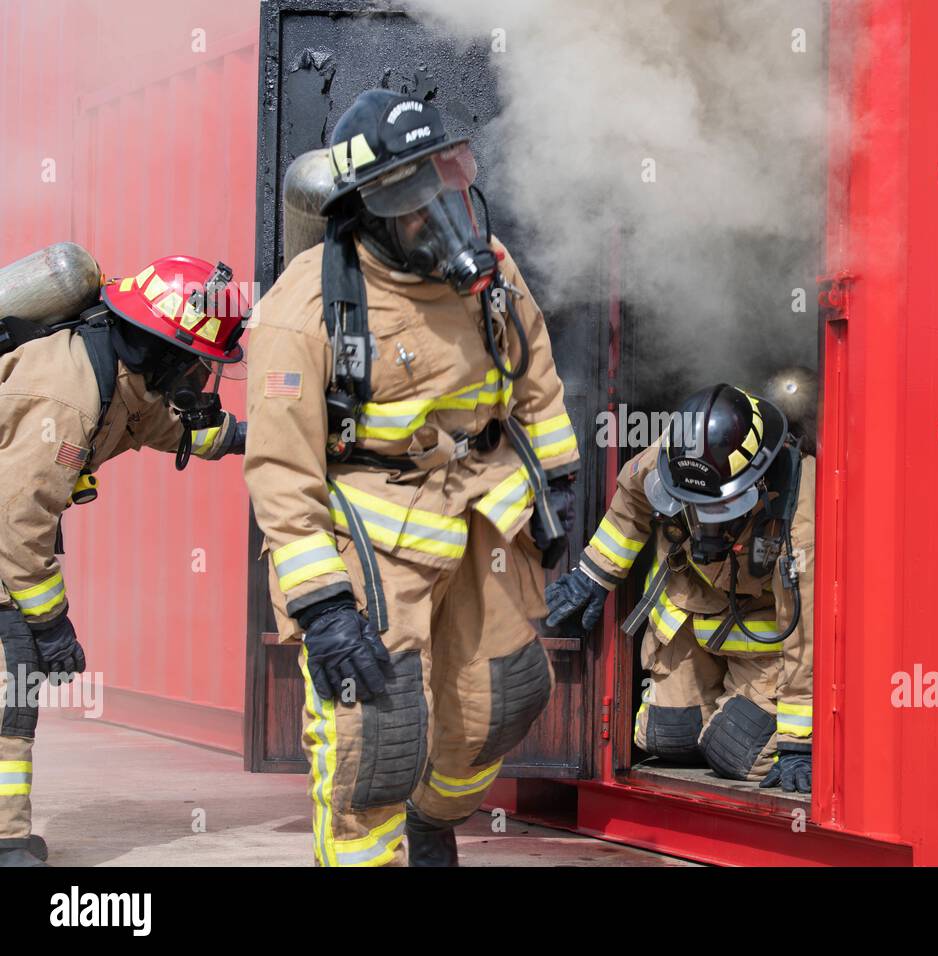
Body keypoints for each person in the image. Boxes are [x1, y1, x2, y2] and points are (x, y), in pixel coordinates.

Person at [243, 89, 579, 867]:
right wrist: (323, 608)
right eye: (418, 204)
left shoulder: (490, 269)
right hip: (372, 532)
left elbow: (536, 376)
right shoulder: (303, 312)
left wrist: (557, 481)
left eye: (449, 187)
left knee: (505, 700)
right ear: (372, 211)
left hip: (485, 517)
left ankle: (433, 818)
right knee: (378, 740)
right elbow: (283, 475)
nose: (445, 219)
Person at [0, 252, 248, 866]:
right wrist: (52, 624)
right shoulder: (70, 395)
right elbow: (17, 523)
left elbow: (166, 427)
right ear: (162, 347)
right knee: (16, 678)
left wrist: (259, 435)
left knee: (17, 679)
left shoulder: (120, 375)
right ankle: (6, 841)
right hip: (8, 541)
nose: (199, 374)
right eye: (196, 360)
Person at [546, 381, 815, 793]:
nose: (705, 523)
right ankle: (717, 712)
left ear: (757, 479)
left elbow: (805, 631)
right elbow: (632, 499)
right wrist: (593, 573)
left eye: (719, 510)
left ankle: (736, 715)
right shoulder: (675, 454)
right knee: (665, 738)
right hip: (693, 617)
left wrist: (799, 740)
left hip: (763, 641)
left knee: (737, 751)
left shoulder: (799, 508)